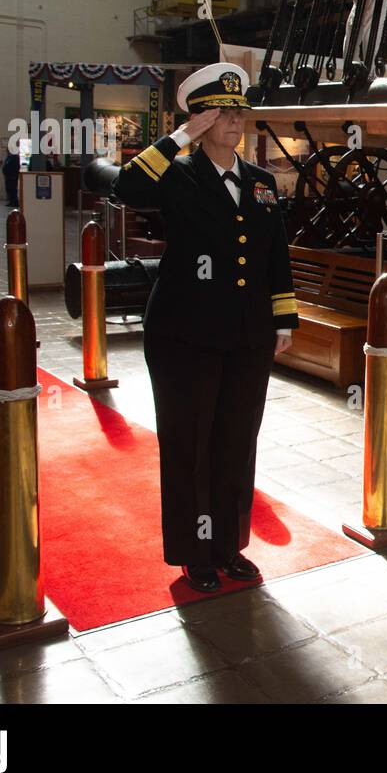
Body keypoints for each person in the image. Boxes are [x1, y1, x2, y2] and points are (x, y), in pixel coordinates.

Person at [112, 62, 299, 593]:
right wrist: (177, 138)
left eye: (238, 110)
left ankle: (228, 547)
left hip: (246, 336)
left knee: (237, 442)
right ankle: (194, 553)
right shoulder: (176, 174)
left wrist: (282, 318)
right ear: (198, 117)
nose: (233, 120)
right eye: (220, 111)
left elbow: (273, 255)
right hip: (184, 335)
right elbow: (125, 188)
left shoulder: (260, 184)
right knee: (189, 444)